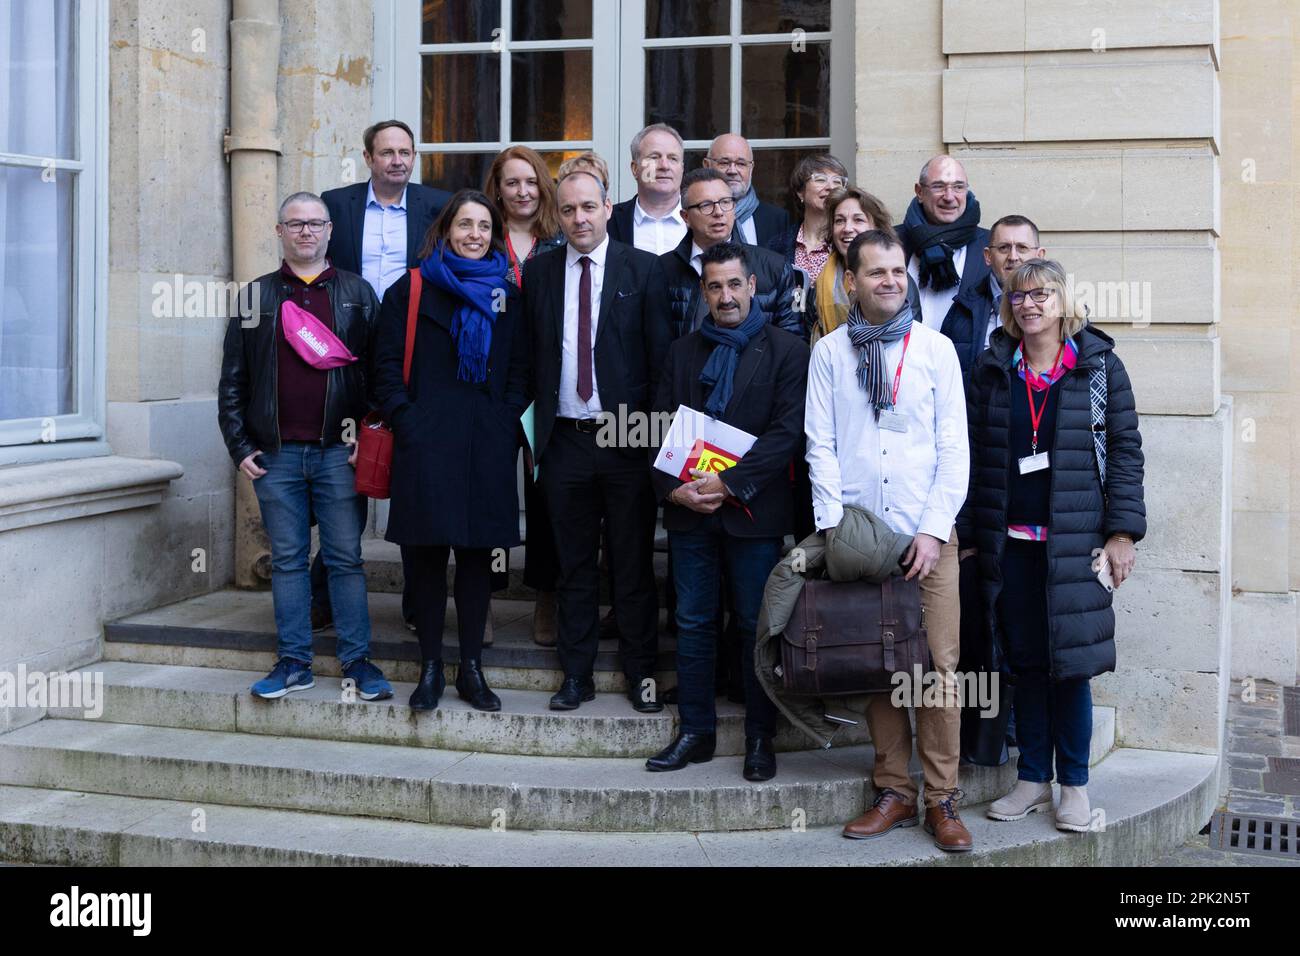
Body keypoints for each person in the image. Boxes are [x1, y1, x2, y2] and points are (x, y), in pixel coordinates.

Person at [960, 258, 1145, 832]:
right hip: (1009, 545)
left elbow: (1125, 454)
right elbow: (970, 459)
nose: (1030, 305)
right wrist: (968, 539)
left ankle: (1076, 787)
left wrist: (1120, 534)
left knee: (1072, 668)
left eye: (1042, 294)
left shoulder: (1098, 368)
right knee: (1027, 666)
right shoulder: (994, 370)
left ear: (1063, 301)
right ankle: (1033, 779)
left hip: (1074, 547)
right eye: (1019, 296)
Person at [805, 230, 971, 852]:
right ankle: (894, 791)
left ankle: (943, 799)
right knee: (878, 664)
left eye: (898, 271)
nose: (890, 281)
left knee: (937, 671)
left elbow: (954, 449)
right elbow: (818, 444)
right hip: (860, 538)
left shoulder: (935, 350)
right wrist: (833, 528)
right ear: (850, 281)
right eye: (875, 272)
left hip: (929, 535)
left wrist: (932, 531)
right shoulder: (828, 354)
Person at [218, 191, 392, 702]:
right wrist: (239, 445)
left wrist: (370, 433)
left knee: (344, 558)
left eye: (315, 224)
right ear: (279, 232)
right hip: (275, 454)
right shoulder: (256, 297)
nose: (306, 232)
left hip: (341, 452)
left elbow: (380, 377)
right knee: (289, 560)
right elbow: (233, 379)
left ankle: (357, 661)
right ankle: (294, 661)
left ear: (331, 231)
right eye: (295, 224)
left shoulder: (359, 294)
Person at [646, 242, 809, 780]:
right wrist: (673, 489)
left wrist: (730, 484)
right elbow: (657, 427)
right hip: (690, 511)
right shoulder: (681, 351)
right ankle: (695, 732)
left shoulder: (788, 350)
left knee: (753, 626)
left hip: (752, 514)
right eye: (714, 286)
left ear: (753, 287)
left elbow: (787, 433)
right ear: (704, 292)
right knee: (692, 623)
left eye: (734, 284)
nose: (725, 296)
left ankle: (761, 737)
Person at [370, 190, 529, 712]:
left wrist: (505, 421)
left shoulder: (508, 293)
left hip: (486, 442)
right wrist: (406, 420)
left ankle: (473, 670)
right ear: (446, 229)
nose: (476, 235)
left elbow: (522, 368)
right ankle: (432, 667)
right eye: (466, 225)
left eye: (485, 227)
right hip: (426, 443)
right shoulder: (411, 288)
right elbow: (385, 366)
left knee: (479, 560)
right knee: (426, 560)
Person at [521, 169, 672, 714]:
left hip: (626, 439)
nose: (579, 219)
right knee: (573, 566)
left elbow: (660, 363)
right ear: (557, 216)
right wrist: (530, 438)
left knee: (632, 566)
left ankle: (641, 676)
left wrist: (654, 442)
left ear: (609, 207)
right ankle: (576, 675)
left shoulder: (645, 270)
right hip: (563, 440)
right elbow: (526, 360)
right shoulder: (537, 275)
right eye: (568, 210)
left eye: (589, 207)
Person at [315, 119, 452, 635]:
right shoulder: (337, 203)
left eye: (405, 152)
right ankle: (325, 589)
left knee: (416, 474)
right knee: (344, 476)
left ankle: (421, 599)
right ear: (368, 157)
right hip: (345, 354)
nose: (397, 160)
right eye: (387, 152)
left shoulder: (435, 205)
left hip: (414, 351)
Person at [483, 146, 567, 646]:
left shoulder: (559, 241)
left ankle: (546, 599)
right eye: (512, 183)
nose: (522, 191)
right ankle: (484, 597)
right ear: (498, 189)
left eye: (531, 182)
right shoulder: (480, 239)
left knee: (546, 498)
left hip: (545, 390)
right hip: (490, 387)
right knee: (492, 495)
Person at [661, 168, 801, 341]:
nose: (718, 212)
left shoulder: (775, 267)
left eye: (726, 202)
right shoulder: (661, 270)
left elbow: (792, 339)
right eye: (706, 205)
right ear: (686, 217)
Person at [896, 155, 991, 339]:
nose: (949, 197)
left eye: (958, 187)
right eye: (939, 186)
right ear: (920, 192)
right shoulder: (891, 241)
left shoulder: (991, 246)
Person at [807, 186, 895, 344]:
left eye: (858, 220)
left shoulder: (893, 280)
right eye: (839, 220)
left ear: (876, 228)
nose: (847, 228)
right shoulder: (822, 278)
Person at [766, 154, 849, 284]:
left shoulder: (851, 242)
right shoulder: (776, 246)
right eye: (821, 179)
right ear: (800, 191)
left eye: (837, 181)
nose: (830, 187)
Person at [606, 123, 688, 254]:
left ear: (682, 168)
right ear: (635, 168)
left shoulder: (701, 217)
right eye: (654, 157)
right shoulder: (608, 221)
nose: (664, 166)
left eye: (673, 158)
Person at [702, 132, 790, 246]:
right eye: (724, 163)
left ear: (751, 168)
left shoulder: (777, 220)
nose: (732, 171)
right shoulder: (694, 215)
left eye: (741, 164)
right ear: (707, 165)